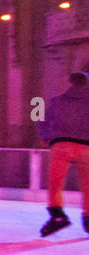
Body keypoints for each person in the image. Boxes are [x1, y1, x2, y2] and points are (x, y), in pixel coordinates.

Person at [37, 68, 89, 237]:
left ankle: (58, 216)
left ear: (70, 82)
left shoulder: (55, 101)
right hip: (86, 147)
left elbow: (39, 116)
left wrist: (45, 136)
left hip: (61, 144)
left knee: (55, 182)